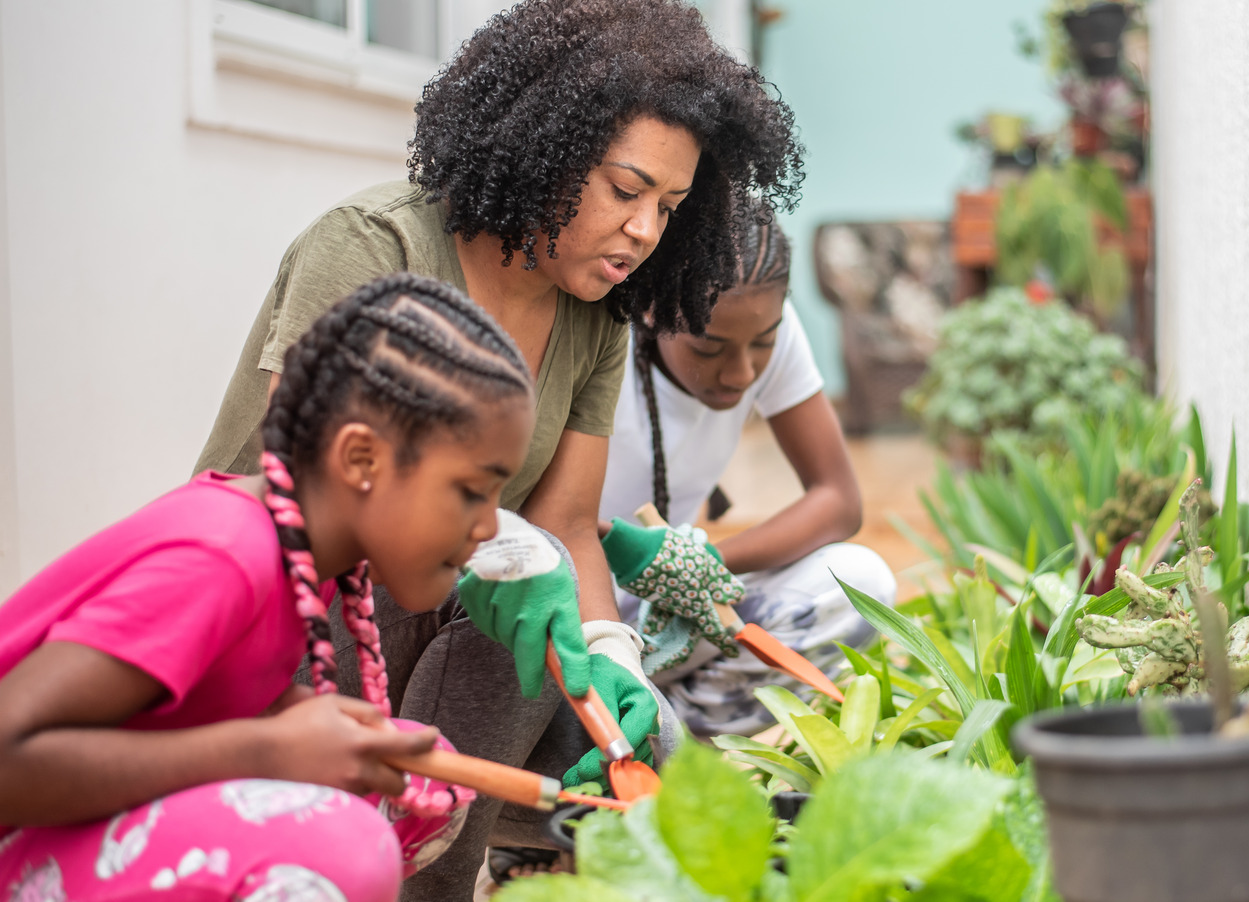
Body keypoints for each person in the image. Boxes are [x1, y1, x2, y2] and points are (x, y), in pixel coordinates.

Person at [192, 1, 803, 897]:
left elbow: (566, 525)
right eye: (625, 190)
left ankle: (439, 867)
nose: (643, 231)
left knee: (630, 728)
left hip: (428, 601)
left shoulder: (595, 310)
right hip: (287, 608)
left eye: (669, 207)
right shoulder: (377, 246)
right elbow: (313, 474)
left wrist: (608, 655)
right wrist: (512, 552)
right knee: (519, 570)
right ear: (542, 146)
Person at [0, 274, 537, 901]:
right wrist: (264, 751)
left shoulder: (308, 559)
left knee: (416, 783)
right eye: (474, 490)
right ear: (361, 460)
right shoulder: (222, 556)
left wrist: (295, 717)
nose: (489, 524)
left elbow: (203, 695)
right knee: (342, 845)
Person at [598, 216, 896, 736]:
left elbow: (838, 499)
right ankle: (610, 724)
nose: (741, 373)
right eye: (708, 348)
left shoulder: (760, 324)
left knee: (858, 585)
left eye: (764, 343)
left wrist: (702, 564)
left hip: (667, 607)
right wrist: (631, 555)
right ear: (649, 308)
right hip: (579, 615)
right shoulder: (599, 346)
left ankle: (666, 736)